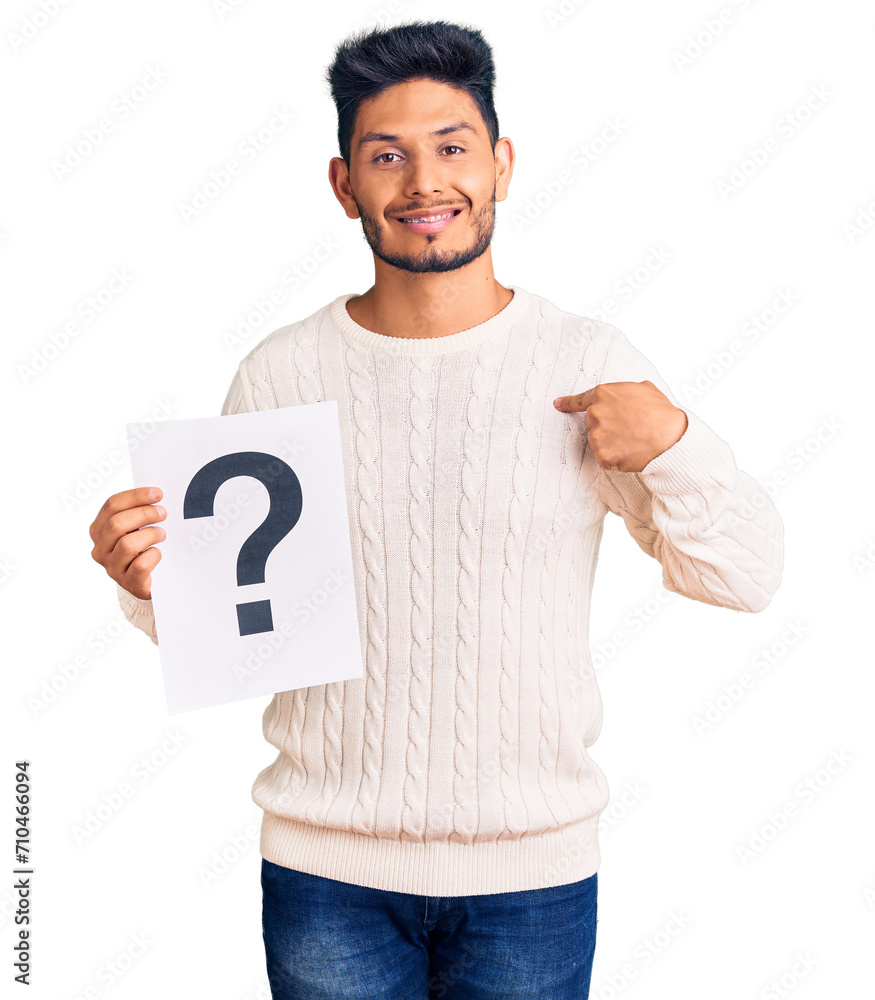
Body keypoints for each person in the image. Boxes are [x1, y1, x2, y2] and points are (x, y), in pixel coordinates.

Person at [88, 19, 784, 1000]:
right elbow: (248, 631)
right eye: (386, 155)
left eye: (452, 147)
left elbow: (745, 575)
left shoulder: (585, 364)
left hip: (533, 877)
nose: (423, 182)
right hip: (323, 872)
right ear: (344, 186)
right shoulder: (281, 372)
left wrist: (676, 443)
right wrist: (147, 585)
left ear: (499, 164)